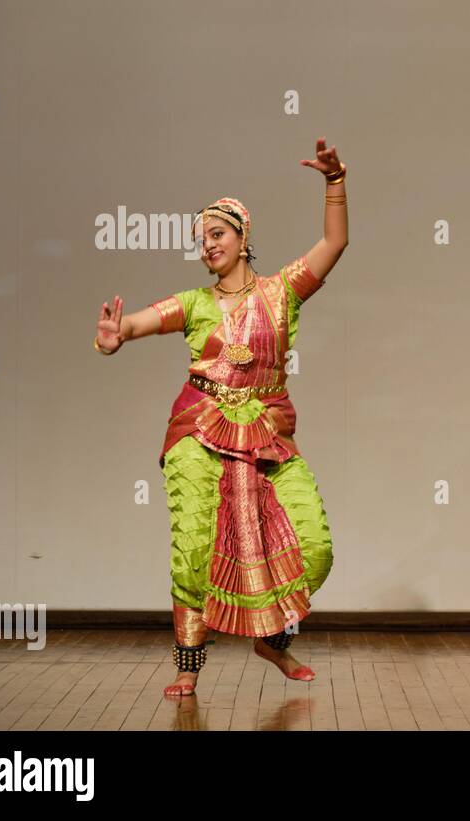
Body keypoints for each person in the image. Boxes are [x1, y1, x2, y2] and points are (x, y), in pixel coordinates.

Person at [92, 139, 349, 696]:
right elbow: (135, 325)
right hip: (200, 430)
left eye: (217, 234)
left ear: (243, 237)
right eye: (201, 239)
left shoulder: (281, 294)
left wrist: (334, 183)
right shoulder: (193, 304)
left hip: (266, 434)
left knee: (314, 546)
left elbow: (335, 241)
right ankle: (187, 665)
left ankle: (272, 640)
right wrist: (117, 336)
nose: (207, 246)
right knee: (192, 548)